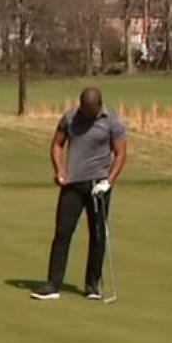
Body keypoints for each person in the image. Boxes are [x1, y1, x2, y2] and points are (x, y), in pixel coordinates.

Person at [33, 86, 127, 301]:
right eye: (84, 110)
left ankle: (92, 285)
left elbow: (121, 154)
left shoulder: (111, 120)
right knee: (62, 233)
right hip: (73, 184)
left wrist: (108, 181)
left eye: (90, 112)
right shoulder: (70, 118)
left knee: (98, 235)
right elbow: (57, 145)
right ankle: (53, 284)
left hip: (98, 185)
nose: (87, 115)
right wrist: (59, 170)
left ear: (98, 107)